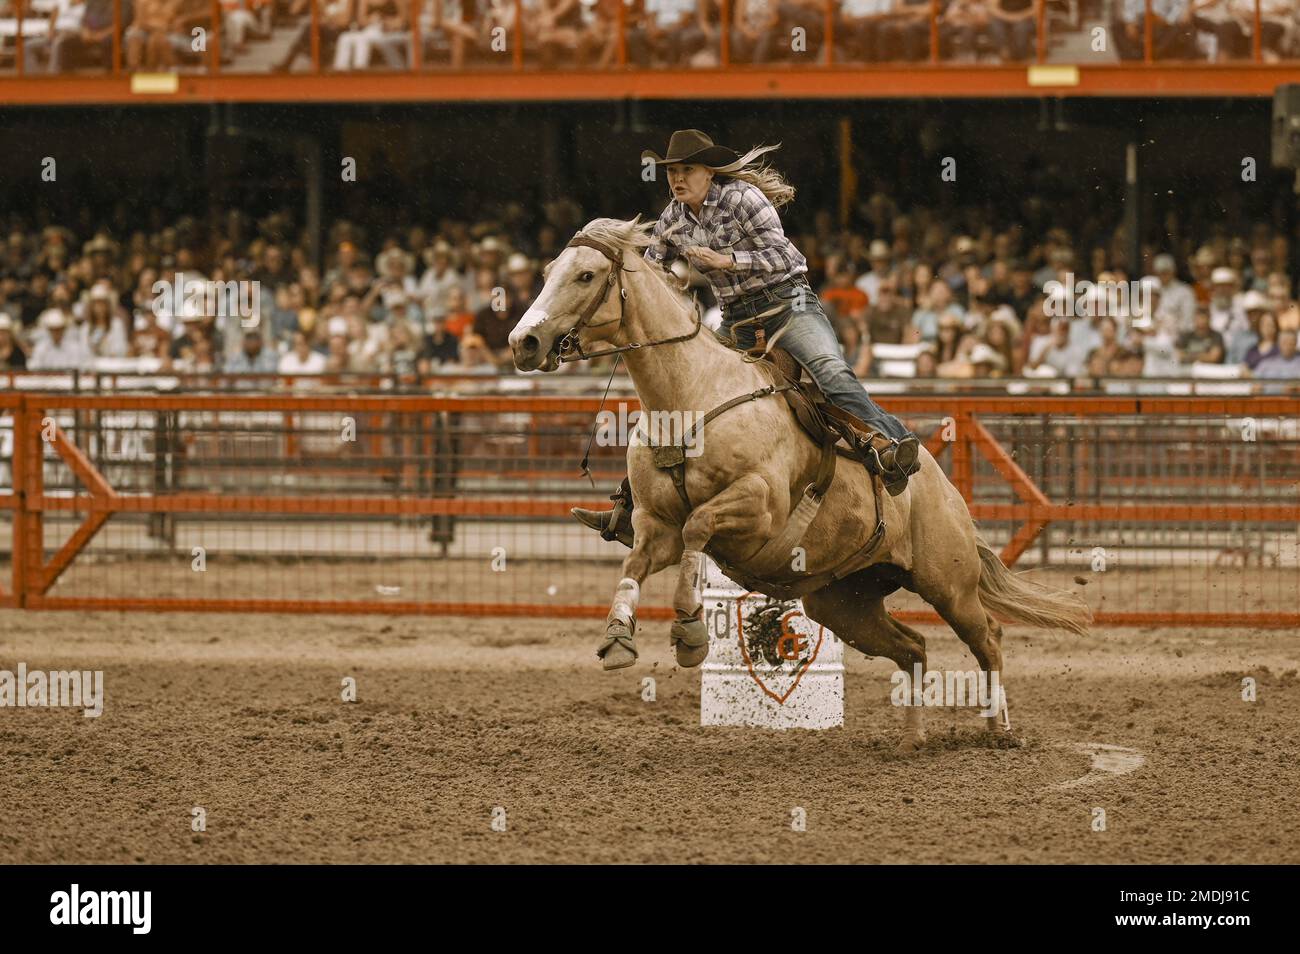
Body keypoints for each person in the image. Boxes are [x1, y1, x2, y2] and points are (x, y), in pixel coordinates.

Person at [572, 129, 920, 547]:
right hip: (737, 319)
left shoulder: (742, 199)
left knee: (829, 371)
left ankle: (891, 443)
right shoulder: (673, 218)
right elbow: (649, 274)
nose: (677, 179)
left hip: (788, 306)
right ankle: (630, 507)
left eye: (686, 170)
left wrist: (726, 261)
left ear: (708, 172)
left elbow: (787, 257)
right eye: (671, 172)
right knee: (681, 394)